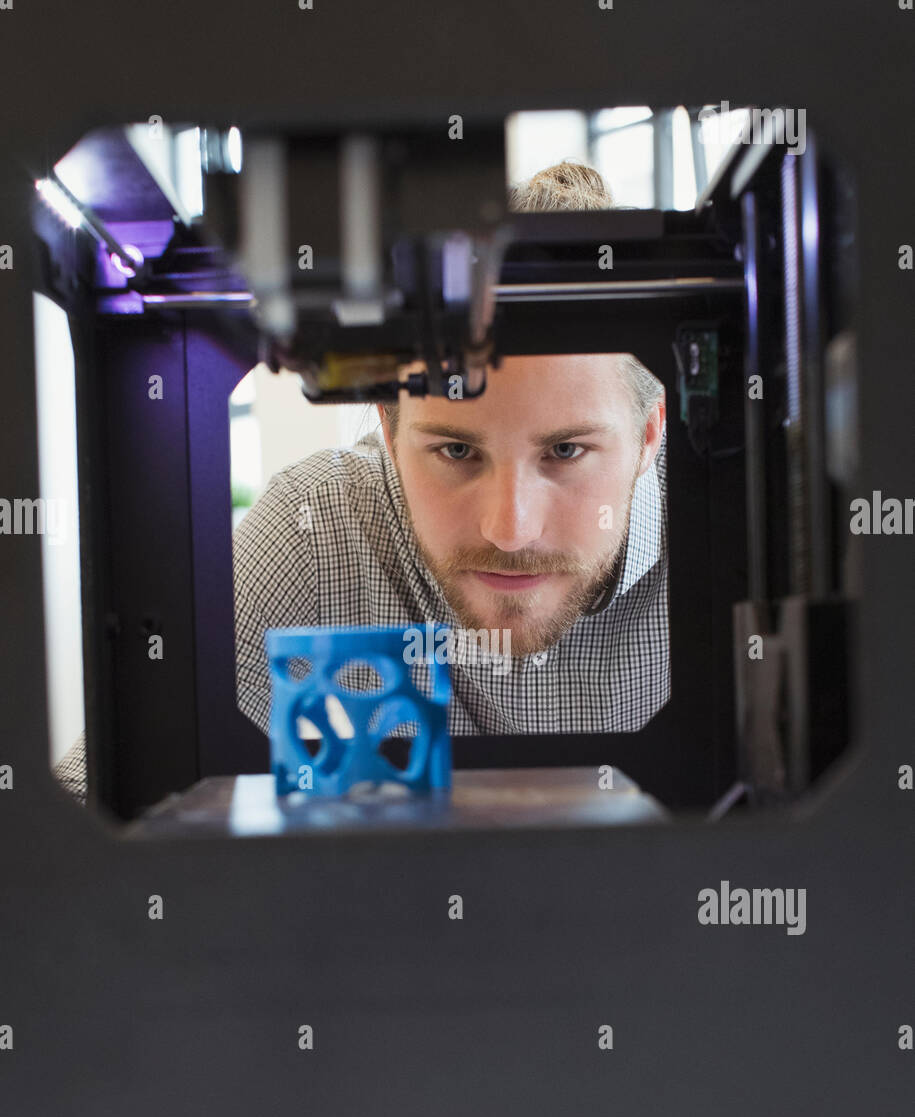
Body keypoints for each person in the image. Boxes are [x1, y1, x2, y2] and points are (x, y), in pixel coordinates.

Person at [53, 161, 668, 804]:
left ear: (649, 436)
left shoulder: (725, 525)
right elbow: (87, 803)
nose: (509, 530)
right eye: (456, 450)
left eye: (566, 451)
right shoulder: (315, 525)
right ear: (388, 426)